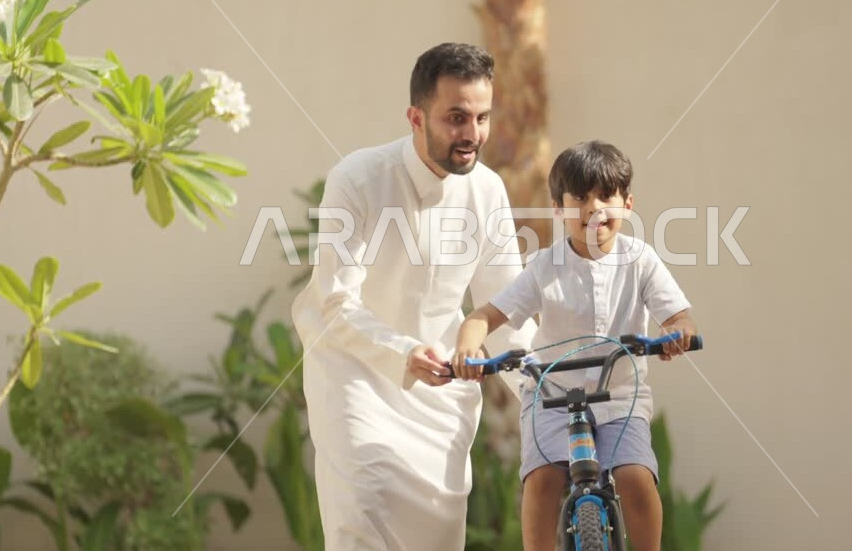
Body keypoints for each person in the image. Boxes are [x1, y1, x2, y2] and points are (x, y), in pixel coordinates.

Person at [291, 42, 534, 550]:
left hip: (441, 395)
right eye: (456, 117)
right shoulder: (357, 179)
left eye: (482, 118)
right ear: (416, 117)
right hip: (355, 379)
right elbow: (334, 300)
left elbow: (505, 309)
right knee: (364, 509)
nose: (472, 134)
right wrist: (403, 353)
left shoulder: (488, 191)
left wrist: (544, 391)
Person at [452, 140, 699, 551]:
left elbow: (677, 317)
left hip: (620, 394)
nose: (593, 208)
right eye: (579, 198)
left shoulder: (641, 260)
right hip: (552, 395)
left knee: (636, 478)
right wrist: (467, 347)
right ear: (557, 208)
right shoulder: (544, 267)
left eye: (606, 196)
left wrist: (678, 333)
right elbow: (483, 317)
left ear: (628, 204)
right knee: (544, 479)